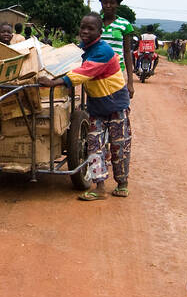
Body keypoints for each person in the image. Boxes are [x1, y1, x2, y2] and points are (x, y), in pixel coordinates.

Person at [37, 13, 131, 200]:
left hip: (116, 104)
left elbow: (83, 73)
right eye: (83, 27)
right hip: (96, 106)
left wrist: (55, 82)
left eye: (91, 28)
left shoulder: (103, 50)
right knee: (94, 146)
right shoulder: (82, 49)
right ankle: (100, 187)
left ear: (100, 31)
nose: (85, 31)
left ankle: (122, 183)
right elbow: (66, 60)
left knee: (119, 146)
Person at [99, 0, 136, 97]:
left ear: (118, 4)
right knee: (97, 107)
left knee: (118, 106)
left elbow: (127, 53)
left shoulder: (124, 25)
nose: (108, 6)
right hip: (96, 73)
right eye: (105, 2)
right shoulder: (95, 23)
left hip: (116, 72)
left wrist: (130, 82)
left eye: (112, 2)